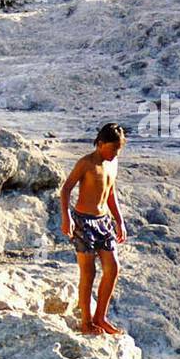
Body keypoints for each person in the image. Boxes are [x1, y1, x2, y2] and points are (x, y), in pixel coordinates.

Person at [59, 123, 128, 335]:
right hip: (83, 222)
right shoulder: (86, 163)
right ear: (99, 144)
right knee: (88, 272)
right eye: (112, 148)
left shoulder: (113, 162)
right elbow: (65, 190)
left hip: (103, 221)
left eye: (118, 149)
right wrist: (67, 217)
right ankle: (86, 321)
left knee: (113, 268)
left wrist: (119, 220)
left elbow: (110, 193)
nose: (115, 153)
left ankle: (101, 317)